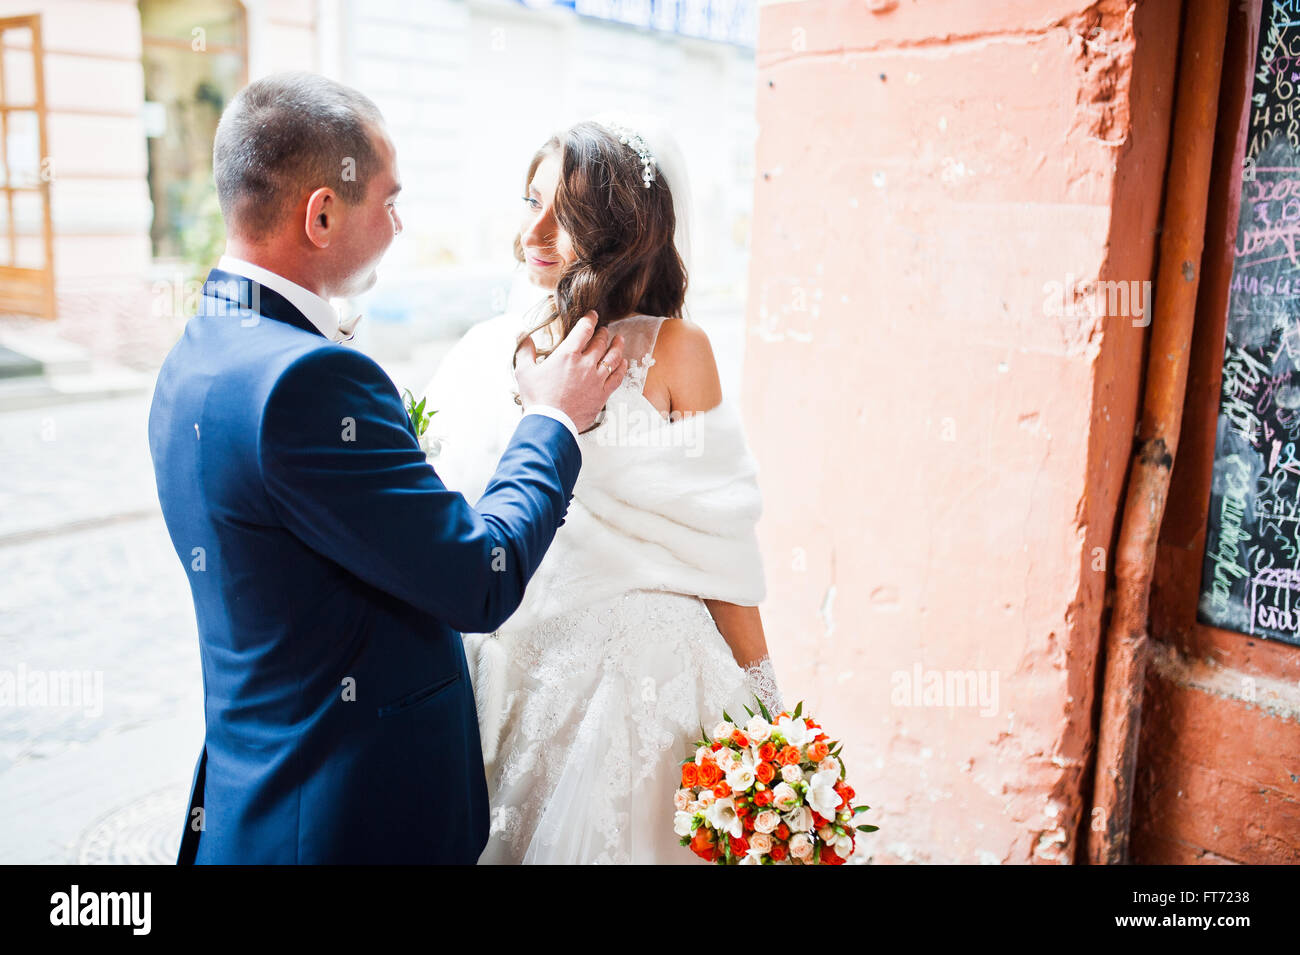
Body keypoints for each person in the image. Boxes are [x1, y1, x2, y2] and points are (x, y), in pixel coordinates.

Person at [147, 72, 628, 863]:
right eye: (390, 200)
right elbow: (481, 575)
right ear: (324, 211)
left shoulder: (196, 354)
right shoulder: (310, 379)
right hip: (345, 817)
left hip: (254, 793)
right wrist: (553, 417)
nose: (402, 225)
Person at [420, 115, 784, 864]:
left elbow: (718, 539)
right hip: (509, 663)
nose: (537, 230)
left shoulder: (677, 349)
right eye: (531, 201)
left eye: (572, 215)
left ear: (622, 229)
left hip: (641, 684)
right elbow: (440, 515)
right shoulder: (485, 347)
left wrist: (767, 706)